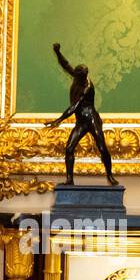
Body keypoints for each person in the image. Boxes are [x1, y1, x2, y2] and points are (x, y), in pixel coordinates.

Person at [46, 43, 117, 186]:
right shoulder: (77, 77)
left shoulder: (87, 87)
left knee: (102, 147)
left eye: (84, 76)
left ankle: (110, 175)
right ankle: (69, 179)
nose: (82, 78)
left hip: (91, 119)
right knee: (69, 148)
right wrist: (58, 52)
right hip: (81, 122)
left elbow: (75, 106)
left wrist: (59, 119)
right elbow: (65, 65)